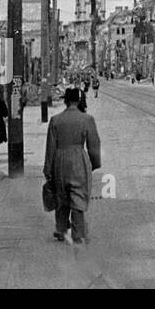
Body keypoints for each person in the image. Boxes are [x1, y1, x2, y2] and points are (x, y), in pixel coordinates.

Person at [43, 86, 102, 244]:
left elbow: (50, 148)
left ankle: (61, 228)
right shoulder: (87, 119)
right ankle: (78, 232)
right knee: (78, 196)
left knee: (61, 194)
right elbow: (94, 146)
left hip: (59, 159)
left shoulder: (56, 120)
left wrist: (48, 170)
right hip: (78, 159)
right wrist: (94, 163)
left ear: (66, 101)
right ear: (79, 101)